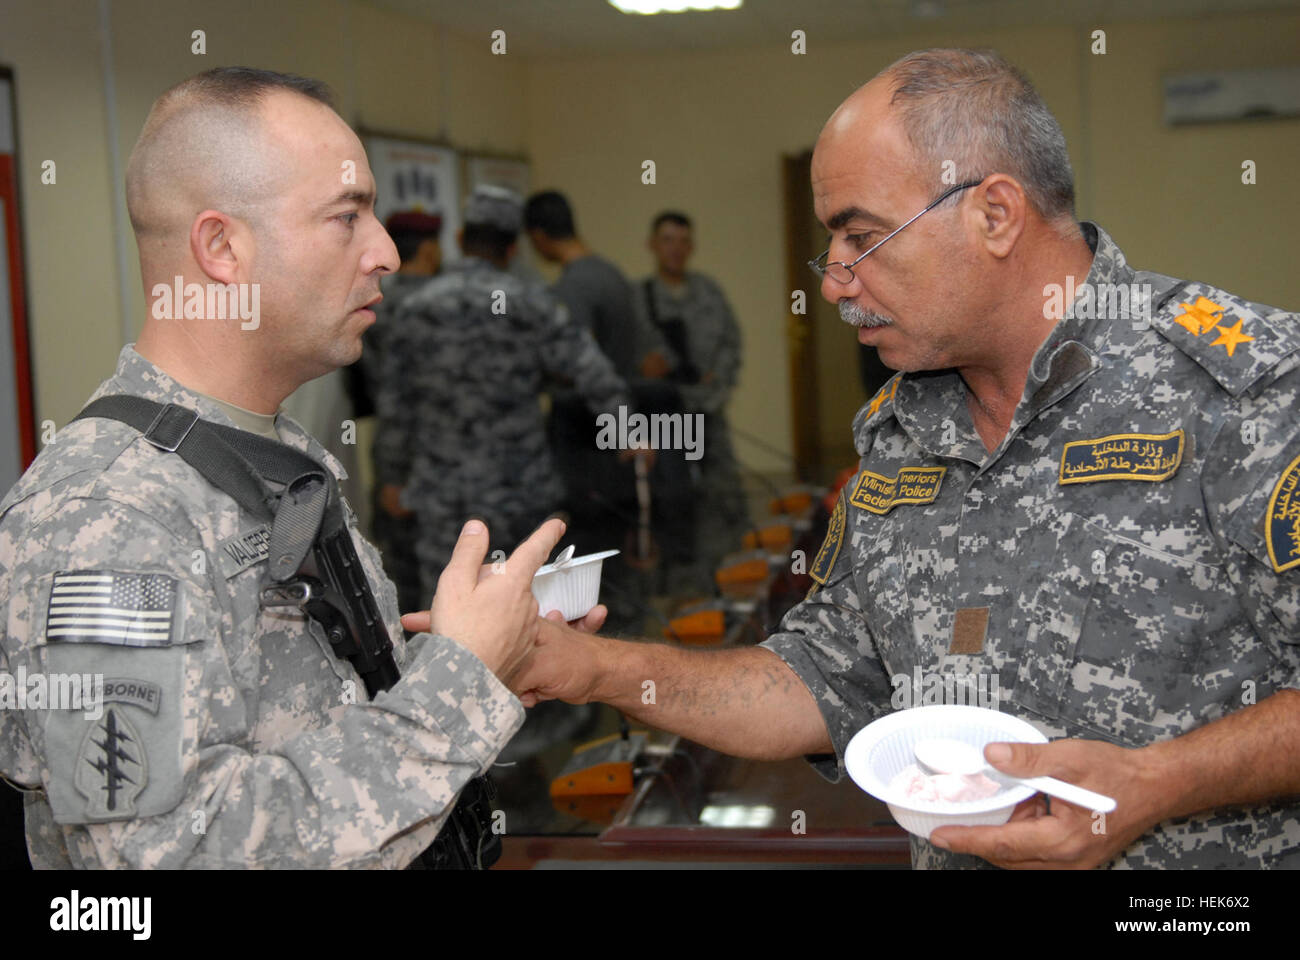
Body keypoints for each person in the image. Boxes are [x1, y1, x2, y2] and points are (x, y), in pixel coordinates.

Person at [472, 48, 1300, 870]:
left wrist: (1159, 781)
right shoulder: (897, 431)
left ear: (996, 214)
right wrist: (591, 667)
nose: (834, 281)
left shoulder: (1243, 389)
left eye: (861, 237)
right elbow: (822, 678)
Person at [0, 67, 588, 868]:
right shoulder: (108, 517)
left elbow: (297, 715)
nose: (385, 252)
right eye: (346, 217)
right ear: (222, 248)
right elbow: (166, 855)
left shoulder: (271, 457)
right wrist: (457, 687)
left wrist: (484, 662)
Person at [380, 185, 633, 603]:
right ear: (514, 248)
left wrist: (392, 477)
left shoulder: (416, 307)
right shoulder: (534, 304)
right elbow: (592, 371)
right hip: (520, 489)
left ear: (461, 239)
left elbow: (395, 404)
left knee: (448, 606)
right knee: (527, 605)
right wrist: (627, 430)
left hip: (443, 492)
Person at [634, 211, 749, 582]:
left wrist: (716, 386)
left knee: (722, 494)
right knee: (671, 501)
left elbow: (731, 344)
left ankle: (726, 576)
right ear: (652, 245)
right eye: (667, 239)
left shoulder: (708, 292)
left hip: (709, 413)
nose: (676, 249)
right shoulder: (638, 300)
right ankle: (676, 583)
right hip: (663, 421)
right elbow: (628, 357)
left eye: (683, 241)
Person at [358, 210, 444, 615]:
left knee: (399, 576)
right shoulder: (453, 302)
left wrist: (392, 475)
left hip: (398, 456)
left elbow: (386, 395)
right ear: (430, 249)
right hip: (455, 466)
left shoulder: (375, 303)